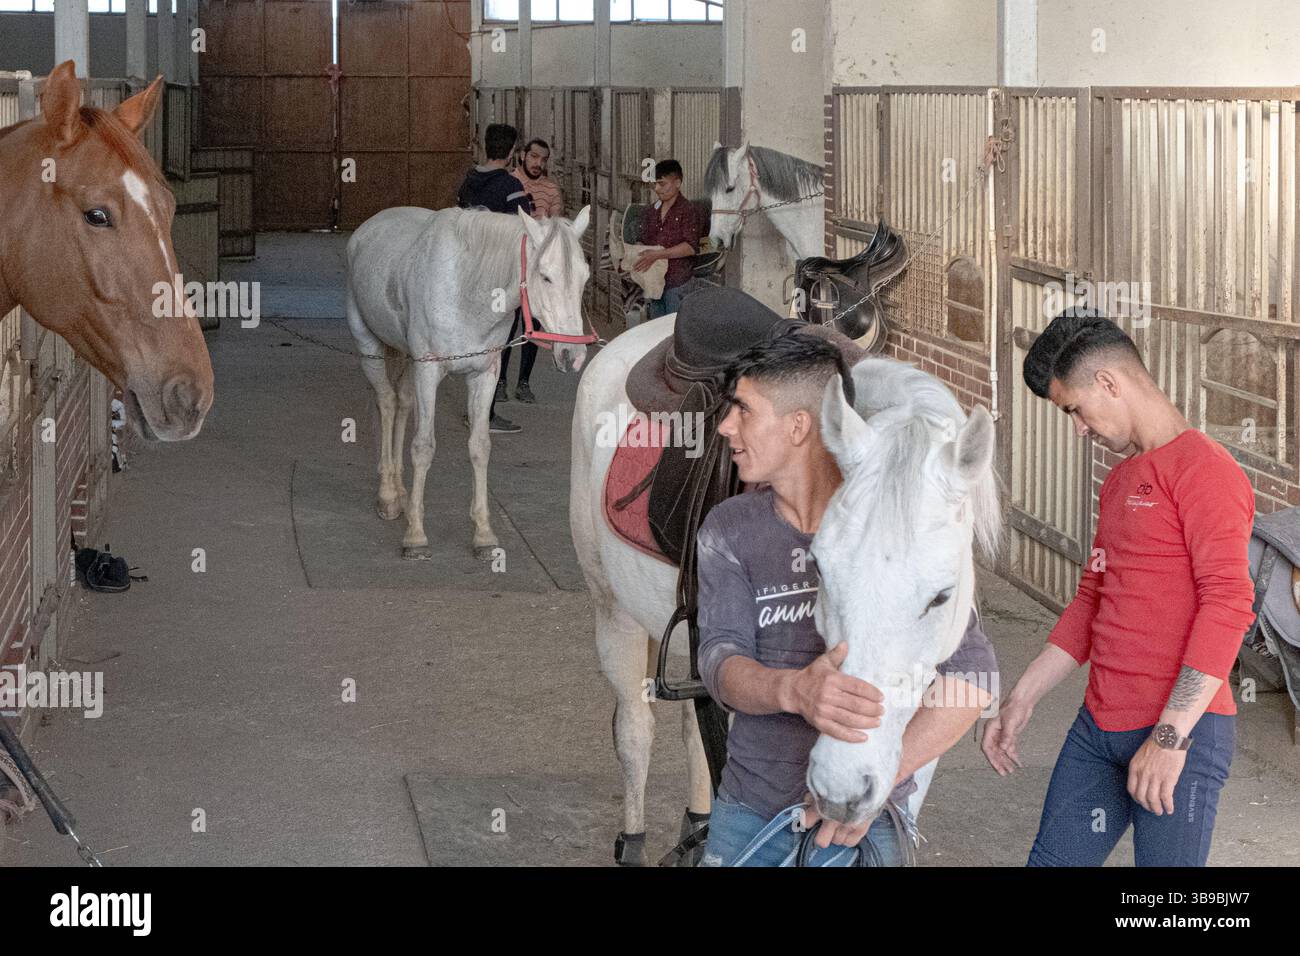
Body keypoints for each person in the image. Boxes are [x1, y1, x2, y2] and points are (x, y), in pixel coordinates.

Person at [695, 328, 998, 867]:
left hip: (867, 823)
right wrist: (793, 690)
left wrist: (882, 774)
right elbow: (719, 662)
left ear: (799, 426)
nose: (725, 427)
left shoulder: (896, 524)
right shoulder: (728, 528)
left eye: (743, 411)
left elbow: (972, 681)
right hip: (750, 809)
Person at [982, 310, 1256, 867]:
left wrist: (1171, 737)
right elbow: (1093, 599)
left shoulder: (1206, 471)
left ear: (1109, 383)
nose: (1078, 428)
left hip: (1183, 734)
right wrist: (1022, 697)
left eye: (1075, 411)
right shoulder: (1121, 481)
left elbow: (1228, 604)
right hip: (1099, 729)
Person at [456, 122, 532, 435]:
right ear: (512, 151)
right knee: (496, 345)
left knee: (475, 342)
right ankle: (483, 415)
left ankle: (476, 410)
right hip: (498, 278)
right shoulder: (510, 185)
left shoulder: (469, 180)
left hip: (469, 272)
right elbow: (528, 224)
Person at [497, 138, 563, 406]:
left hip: (537, 271)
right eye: (534, 156)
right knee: (506, 325)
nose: (538, 163)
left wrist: (543, 223)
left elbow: (557, 225)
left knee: (532, 327)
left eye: (543, 159)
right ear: (523, 155)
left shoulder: (550, 189)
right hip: (511, 268)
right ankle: (499, 380)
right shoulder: (510, 183)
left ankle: (524, 382)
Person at [633, 159, 701, 321]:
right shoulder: (651, 211)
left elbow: (690, 247)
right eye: (655, 184)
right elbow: (642, 239)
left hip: (677, 284)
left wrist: (658, 255)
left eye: (662, 184)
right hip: (655, 284)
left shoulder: (689, 210)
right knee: (657, 331)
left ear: (677, 183)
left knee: (674, 331)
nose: (657, 189)